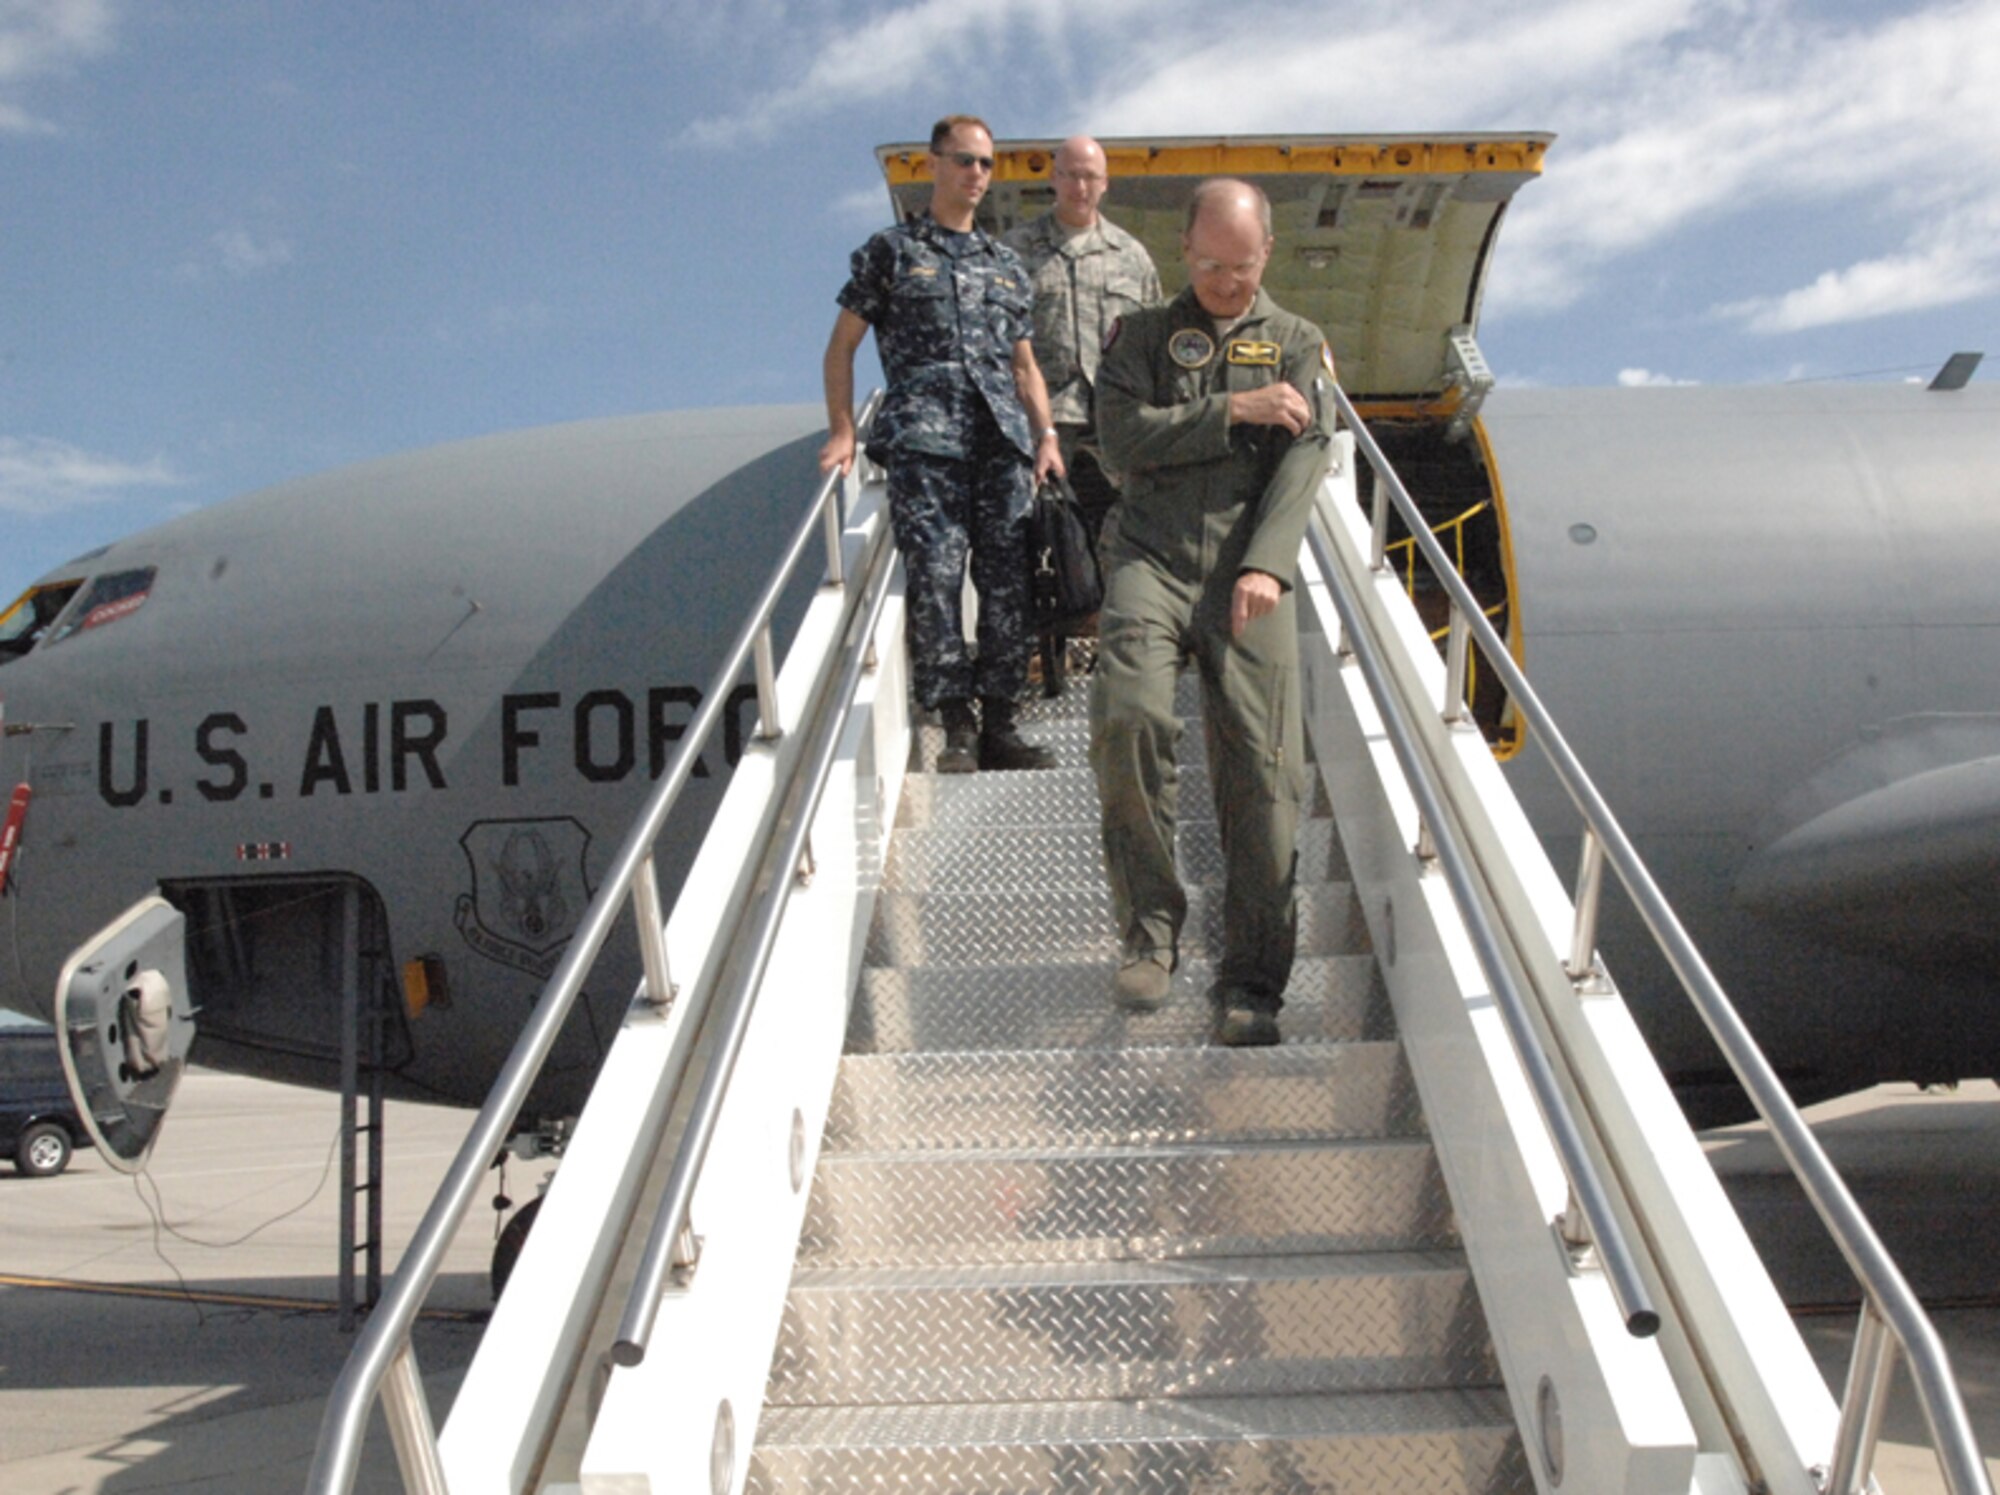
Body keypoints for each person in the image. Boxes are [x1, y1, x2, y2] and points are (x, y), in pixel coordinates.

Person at [1090, 178, 1336, 1046]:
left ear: (1266, 251)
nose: (1225, 282)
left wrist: (1269, 563)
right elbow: (1118, 440)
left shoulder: (1299, 343)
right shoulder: (1143, 337)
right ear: (1182, 251)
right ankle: (1152, 931)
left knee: (1266, 777)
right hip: (1151, 558)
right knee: (1129, 721)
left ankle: (1252, 984)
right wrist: (1232, 407)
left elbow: (1305, 458)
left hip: (1247, 568)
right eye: (1206, 264)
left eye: (1240, 265)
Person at [820, 114, 1064, 774]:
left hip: (1000, 441)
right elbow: (841, 347)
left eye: (986, 163)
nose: (976, 174)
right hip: (925, 439)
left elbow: (1024, 365)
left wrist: (1045, 435)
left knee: (1007, 581)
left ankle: (1002, 722)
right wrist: (844, 429)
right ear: (933, 164)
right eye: (964, 161)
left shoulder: (1006, 265)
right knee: (936, 577)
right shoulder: (891, 252)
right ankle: (955, 722)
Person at [1002, 135, 1161, 547]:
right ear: (1053, 179)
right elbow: (995, 341)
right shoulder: (1014, 251)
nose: (1080, 187)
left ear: (1105, 183)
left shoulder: (1131, 255)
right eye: (1071, 176)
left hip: (1117, 416)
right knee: (1038, 531)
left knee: (1133, 528)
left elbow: (1154, 344)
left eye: (1090, 177)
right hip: (1043, 418)